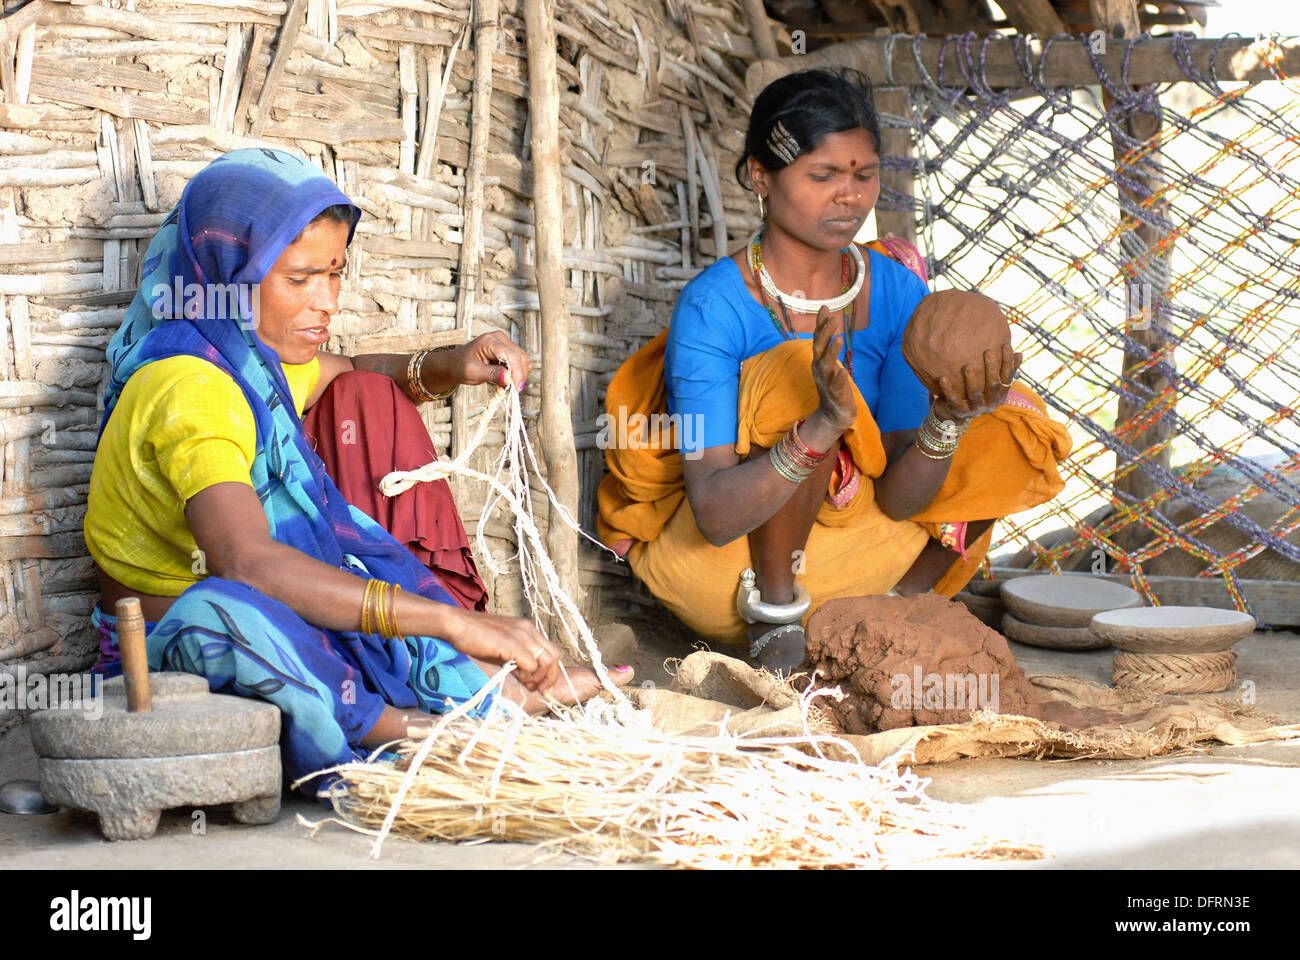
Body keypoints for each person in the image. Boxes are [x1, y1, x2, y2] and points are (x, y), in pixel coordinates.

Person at [83, 148, 632, 793]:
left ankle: (487, 694)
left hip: (263, 601)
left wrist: (454, 364)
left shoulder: (249, 357)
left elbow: (353, 373)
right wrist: (454, 619)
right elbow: (248, 565)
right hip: (165, 636)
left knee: (356, 576)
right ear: (228, 274)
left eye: (335, 274)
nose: (326, 303)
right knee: (237, 612)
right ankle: (410, 727)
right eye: (298, 279)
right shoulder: (190, 386)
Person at [597, 69, 1073, 674]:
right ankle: (779, 623)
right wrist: (823, 425)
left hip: (863, 557)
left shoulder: (897, 291)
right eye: (822, 176)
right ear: (759, 176)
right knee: (799, 369)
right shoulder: (714, 306)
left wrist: (948, 420)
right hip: (727, 571)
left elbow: (902, 502)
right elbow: (715, 518)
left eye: (864, 176)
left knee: (1007, 424)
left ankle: (892, 616)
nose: (849, 196)